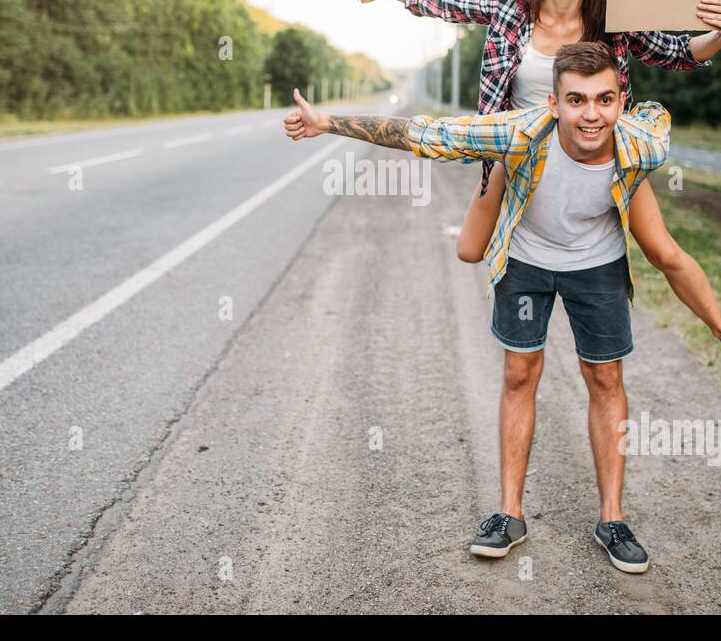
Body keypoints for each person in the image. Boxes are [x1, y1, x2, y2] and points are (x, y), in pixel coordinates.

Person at [284, 40, 671, 573]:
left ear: (620, 101)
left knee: (606, 379)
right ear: (553, 103)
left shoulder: (642, 142)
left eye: (604, 99)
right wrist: (328, 123)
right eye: (576, 100)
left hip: (597, 262)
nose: (590, 113)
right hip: (528, 257)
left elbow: (660, 112)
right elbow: (426, 135)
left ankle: (612, 519)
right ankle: (509, 514)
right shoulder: (517, 130)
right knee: (519, 373)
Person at [348, 0, 721, 373]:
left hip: (599, 153)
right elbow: (443, 0)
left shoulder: (615, 13)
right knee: (469, 248)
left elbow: (679, 52)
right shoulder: (508, 4)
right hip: (518, 149)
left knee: (662, 249)